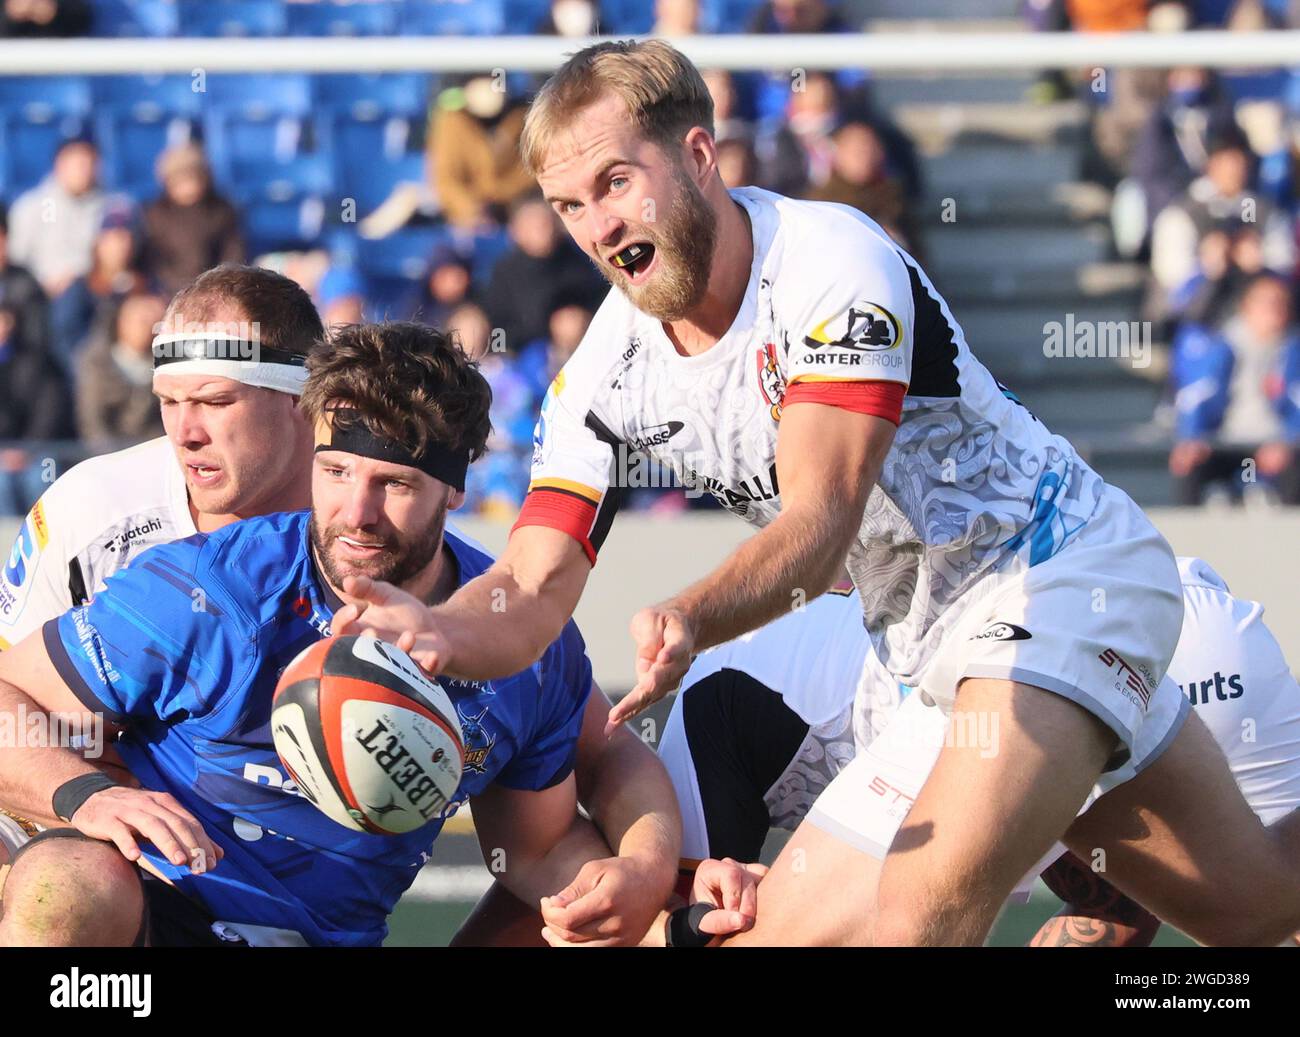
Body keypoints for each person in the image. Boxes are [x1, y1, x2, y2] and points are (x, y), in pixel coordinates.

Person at [334, 39, 1300, 947]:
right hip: (934, 662)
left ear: (699, 156)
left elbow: (822, 519)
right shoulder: (598, 376)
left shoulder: (833, 263)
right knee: (1260, 911)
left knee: (917, 912)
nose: (598, 227)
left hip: (1061, 579)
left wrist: (691, 612)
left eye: (615, 182)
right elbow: (535, 582)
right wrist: (442, 633)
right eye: (571, 203)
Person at [0, 265, 687, 944]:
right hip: (157, 915)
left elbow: (544, 845)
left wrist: (652, 890)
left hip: (331, 937)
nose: (356, 513)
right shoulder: (206, 585)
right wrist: (84, 794)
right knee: (66, 879)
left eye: (393, 483)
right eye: (335, 472)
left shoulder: (518, 640)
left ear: (454, 492)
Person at [654, 557, 1300, 946]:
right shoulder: (744, 682)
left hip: (1018, 674)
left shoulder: (699, 730)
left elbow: (694, 929)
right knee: (1269, 914)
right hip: (1192, 621)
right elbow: (1111, 901)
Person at [141, 143, 245, 297]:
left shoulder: (222, 211)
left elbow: (233, 254)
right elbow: (153, 260)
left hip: (213, 288)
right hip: (168, 290)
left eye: (193, 176)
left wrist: (217, 283)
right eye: (181, 179)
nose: (188, 185)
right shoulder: (156, 215)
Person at [74, 289, 169, 449]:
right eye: (141, 321)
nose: (147, 329)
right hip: (107, 455)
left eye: (153, 322)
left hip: (152, 453)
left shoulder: (166, 364)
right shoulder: (97, 363)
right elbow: (92, 420)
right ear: (122, 323)